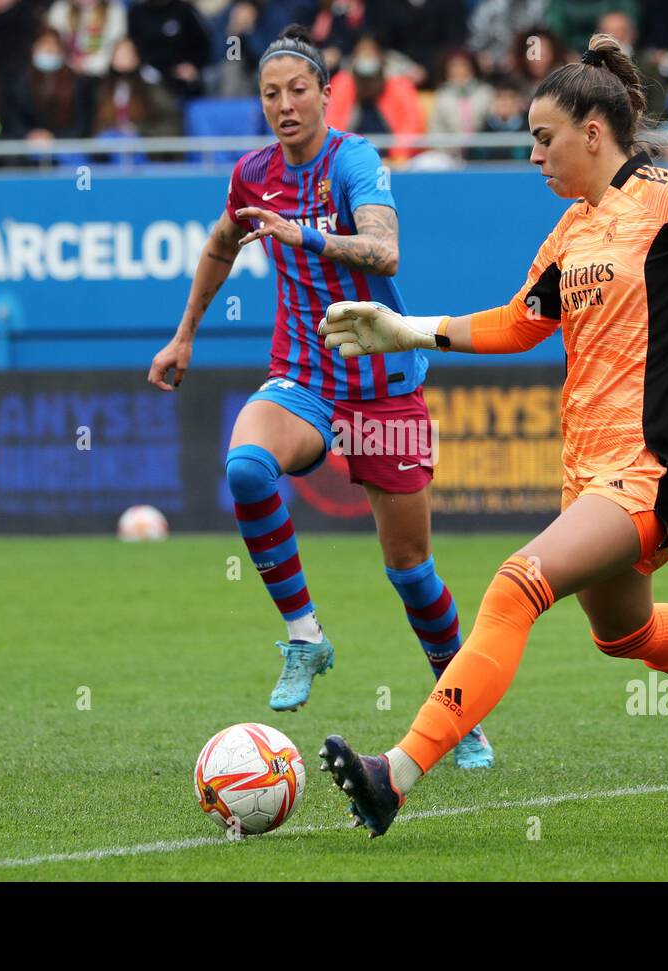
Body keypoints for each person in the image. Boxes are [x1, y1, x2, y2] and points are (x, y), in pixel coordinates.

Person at [315, 32, 668, 837]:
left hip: (655, 468)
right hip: (588, 474)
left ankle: (392, 777)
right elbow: (517, 322)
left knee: (516, 585)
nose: (535, 157)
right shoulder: (572, 231)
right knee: (627, 634)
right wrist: (404, 329)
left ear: (592, 131)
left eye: (544, 140)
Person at [146, 25, 495, 769]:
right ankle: (305, 636)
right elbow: (219, 244)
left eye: (297, 90)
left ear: (325, 93)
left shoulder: (355, 161)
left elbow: (385, 249)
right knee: (245, 469)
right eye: (270, 93)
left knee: (411, 570)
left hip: (382, 385)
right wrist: (185, 336)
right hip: (304, 378)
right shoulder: (252, 175)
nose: (283, 104)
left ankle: (459, 712)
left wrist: (301, 236)